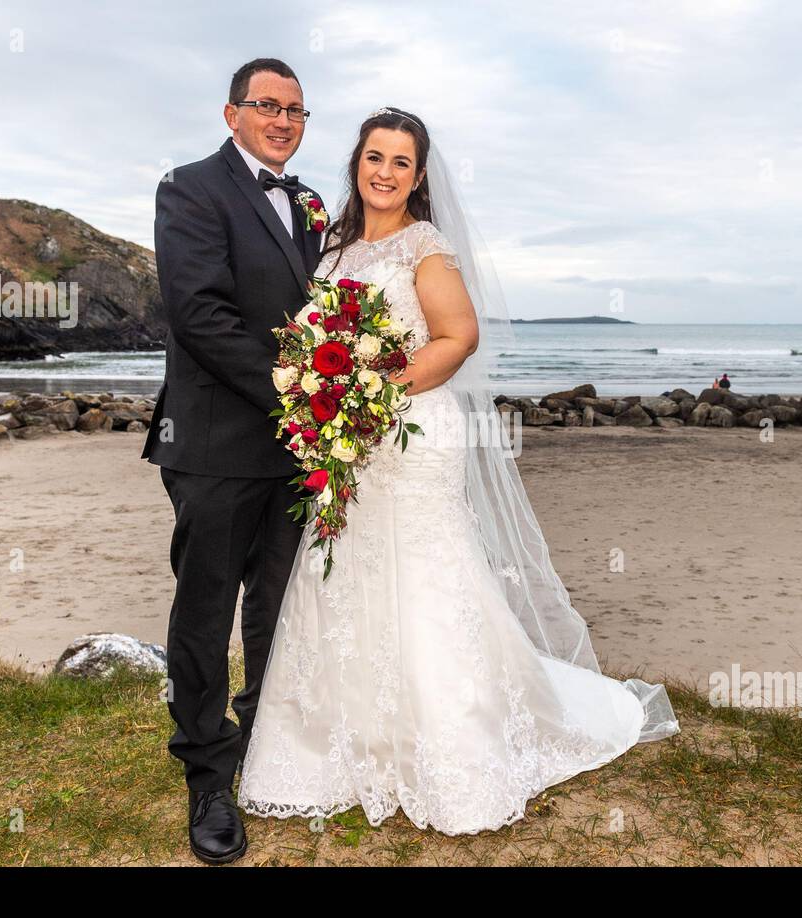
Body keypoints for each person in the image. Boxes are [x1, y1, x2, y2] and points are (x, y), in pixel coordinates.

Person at [236, 106, 679, 837]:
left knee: (427, 573)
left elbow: (458, 336)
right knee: (344, 572)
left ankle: (456, 749)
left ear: (418, 175)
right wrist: (331, 401)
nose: (384, 172)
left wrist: (376, 395)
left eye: (401, 162)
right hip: (349, 441)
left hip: (411, 434)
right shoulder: (332, 249)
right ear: (357, 163)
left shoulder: (425, 247)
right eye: (374, 157)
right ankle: (339, 749)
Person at [143, 57, 327, 865]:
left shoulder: (314, 204)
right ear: (232, 114)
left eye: (295, 109)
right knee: (207, 609)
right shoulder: (189, 189)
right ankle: (207, 777)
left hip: (297, 450)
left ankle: (263, 738)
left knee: (280, 604)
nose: (282, 120)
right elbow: (199, 316)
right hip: (216, 441)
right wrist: (300, 396)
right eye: (266, 106)